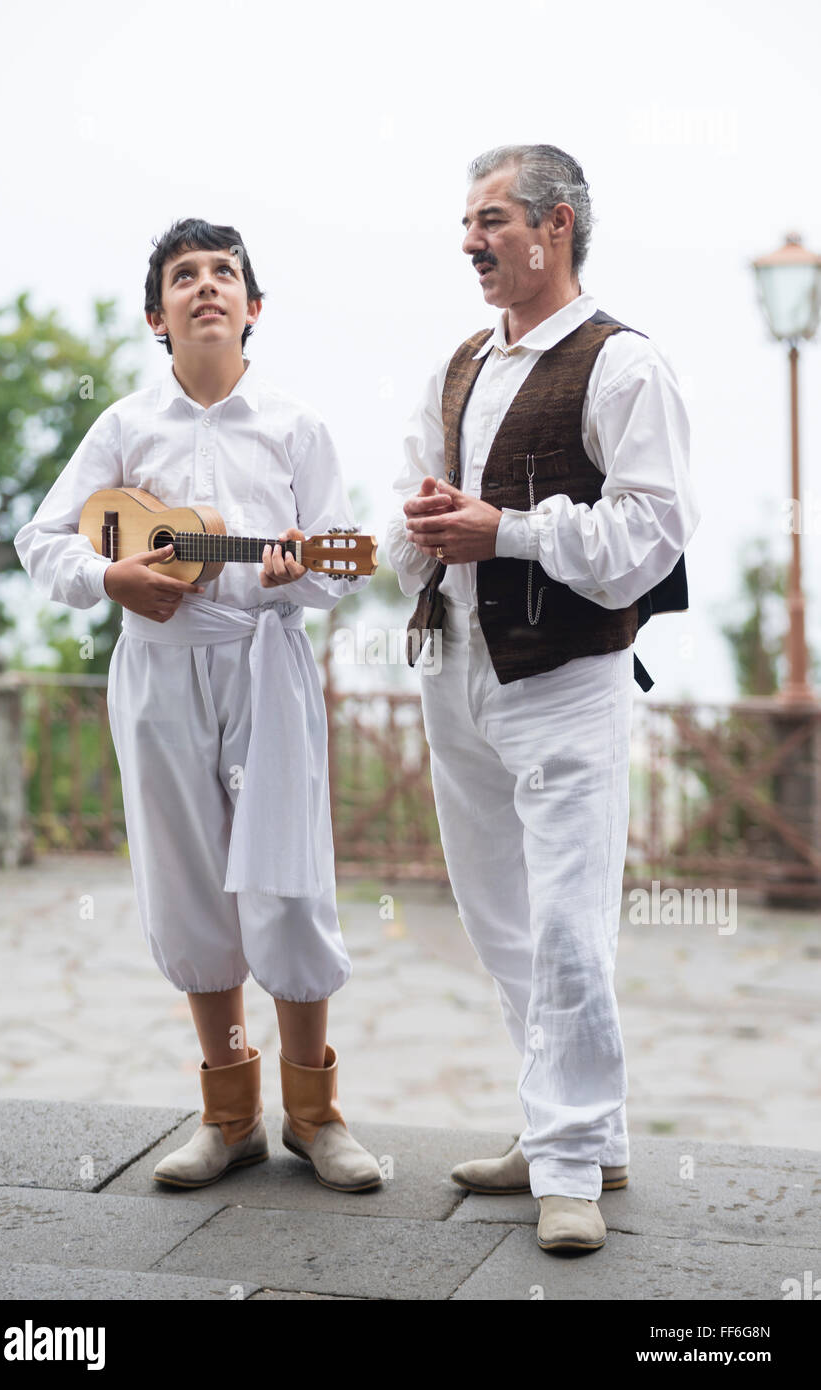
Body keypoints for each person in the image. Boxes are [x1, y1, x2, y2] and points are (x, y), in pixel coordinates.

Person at [15, 218, 381, 1193]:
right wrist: (111, 577)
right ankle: (229, 1115)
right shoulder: (125, 427)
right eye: (186, 275)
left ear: (254, 309)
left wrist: (295, 573)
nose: (207, 285)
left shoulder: (296, 426)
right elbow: (41, 540)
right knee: (188, 887)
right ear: (157, 315)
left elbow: (336, 567)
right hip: (159, 672)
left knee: (290, 883)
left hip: (263, 666)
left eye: (226, 273)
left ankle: (315, 1114)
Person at [385, 145, 699, 1252]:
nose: (470, 239)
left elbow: (651, 536)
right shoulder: (460, 365)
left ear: (555, 225)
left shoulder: (623, 366)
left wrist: (505, 529)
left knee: (567, 924)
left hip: (566, 674)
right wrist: (387, 538)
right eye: (466, 221)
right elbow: (405, 518)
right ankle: (572, 1125)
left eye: (492, 218)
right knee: (502, 920)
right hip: (455, 663)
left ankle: (567, 1167)